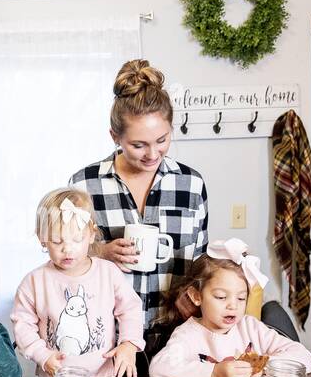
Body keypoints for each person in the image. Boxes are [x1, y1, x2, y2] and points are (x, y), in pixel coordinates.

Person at [69, 59, 208, 339]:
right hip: (106, 333)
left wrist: (193, 293)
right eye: (138, 145)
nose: (153, 154)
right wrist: (101, 252)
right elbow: (64, 256)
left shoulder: (191, 184)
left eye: (162, 140)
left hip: (176, 332)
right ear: (115, 137)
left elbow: (201, 261)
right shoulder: (84, 184)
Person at [11, 188, 144, 377]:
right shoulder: (33, 282)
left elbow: (130, 309)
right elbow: (22, 326)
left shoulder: (108, 273)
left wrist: (129, 344)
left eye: (77, 239)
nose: (67, 249)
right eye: (57, 241)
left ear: (91, 235)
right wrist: (42, 355)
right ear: (42, 239)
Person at [148, 241, 311, 377]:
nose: (233, 305)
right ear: (196, 296)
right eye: (221, 297)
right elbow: (159, 367)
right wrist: (214, 373)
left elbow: (305, 357)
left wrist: (266, 365)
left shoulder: (250, 327)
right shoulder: (189, 334)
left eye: (241, 298)